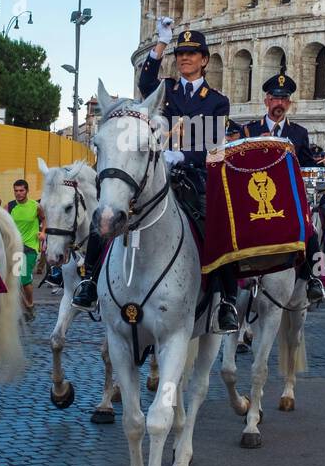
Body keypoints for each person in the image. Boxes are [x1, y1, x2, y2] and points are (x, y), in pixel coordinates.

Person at [73, 19, 239, 330]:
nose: (184, 59)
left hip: (192, 176)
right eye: (180, 54)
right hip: (154, 172)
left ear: (204, 60)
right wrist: (160, 45)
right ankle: (90, 279)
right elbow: (146, 81)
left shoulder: (217, 101)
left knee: (218, 223)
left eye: (192, 54)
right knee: (109, 209)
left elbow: (214, 146)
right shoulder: (168, 89)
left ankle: (226, 298)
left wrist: (184, 155)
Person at [241, 68, 325, 303]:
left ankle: (315, 278)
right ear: (266, 101)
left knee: (310, 230)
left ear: (289, 103)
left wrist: (323, 165)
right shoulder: (250, 130)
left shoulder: (299, 133)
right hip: (254, 197)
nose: (279, 103)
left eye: (283, 99)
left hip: (286, 199)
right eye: (275, 98)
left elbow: (306, 165)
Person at [6, 179, 45, 318]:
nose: (18, 193)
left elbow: (44, 218)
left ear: (27, 191)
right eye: (16, 191)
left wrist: (43, 232)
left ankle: (29, 304)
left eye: (21, 190)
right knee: (18, 280)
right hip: (15, 246)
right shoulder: (10, 206)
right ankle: (28, 306)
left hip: (30, 247)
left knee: (24, 278)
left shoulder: (36, 206)